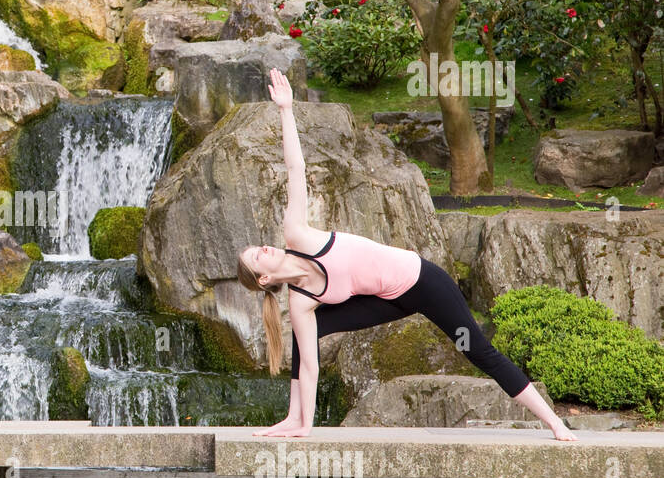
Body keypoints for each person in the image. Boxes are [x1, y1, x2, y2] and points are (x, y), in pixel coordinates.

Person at [235, 67, 577, 441]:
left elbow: (295, 168)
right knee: (307, 337)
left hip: (422, 282)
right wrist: (305, 427)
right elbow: (311, 367)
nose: (265, 248)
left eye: (258, 247)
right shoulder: (300, 302)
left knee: (477, 350)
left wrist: (286, 109)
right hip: (386, 300)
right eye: (258, 257)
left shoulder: (297, 234)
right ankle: (294, 419)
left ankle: (554, 423)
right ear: (264, 278)